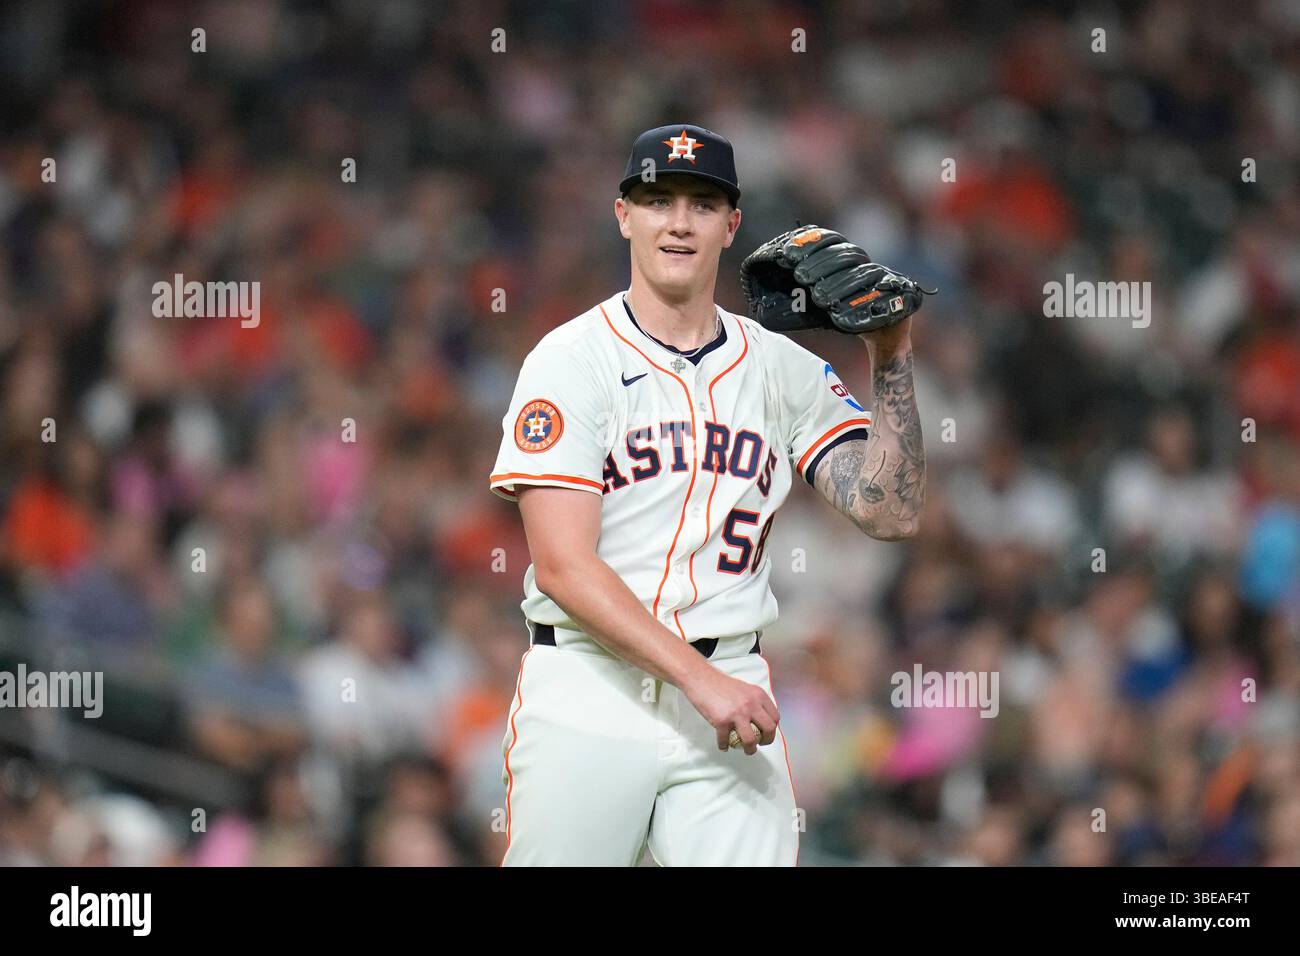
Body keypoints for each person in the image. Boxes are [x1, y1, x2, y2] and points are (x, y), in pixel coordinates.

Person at [489, 124, 925, 865]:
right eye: (657, 200)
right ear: (624, 215)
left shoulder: (781, 369)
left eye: (701, 202)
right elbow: (562, 566)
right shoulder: (569, 361)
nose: (679, 221)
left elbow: (891, 510)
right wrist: (699, 681)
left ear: (732, 224)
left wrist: (892, 352)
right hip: (592, 686)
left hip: (730, 686)